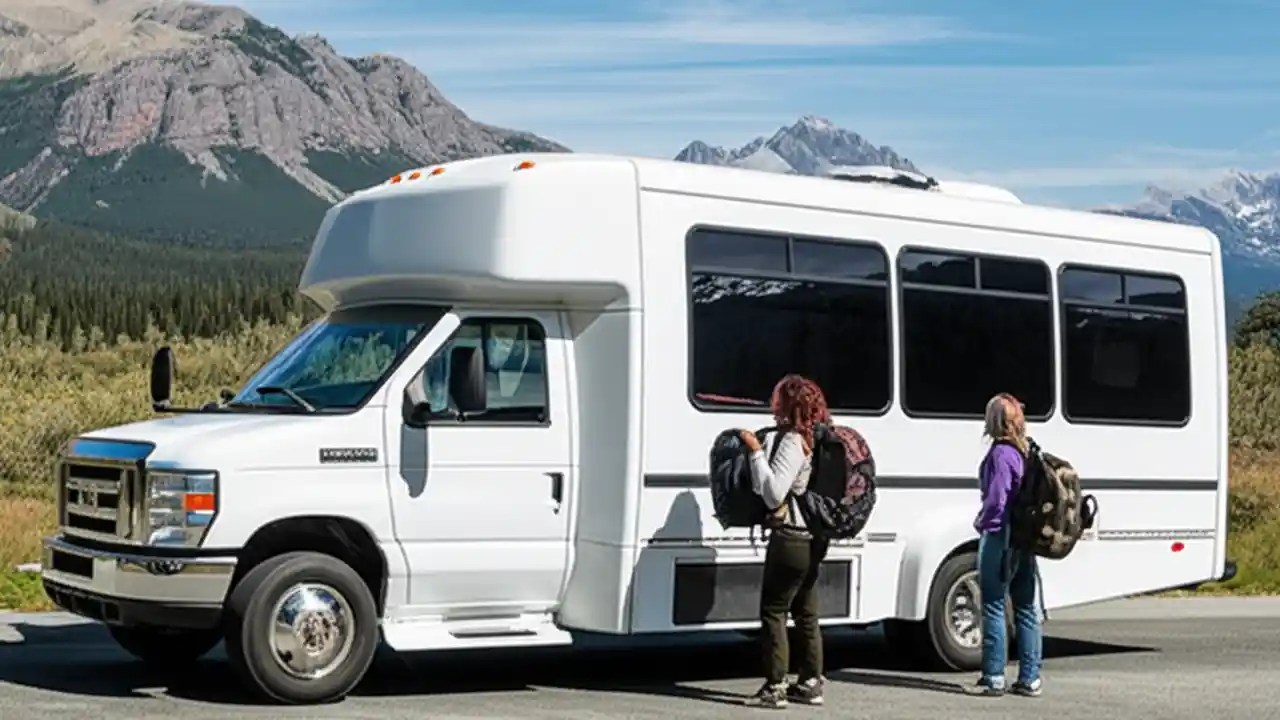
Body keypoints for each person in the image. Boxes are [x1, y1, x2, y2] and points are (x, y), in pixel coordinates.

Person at [738, 374, 832, 709]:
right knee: (806, 612)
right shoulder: (816, 437)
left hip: (790, 537)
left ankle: (775, 687)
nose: (771, 404)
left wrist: (755, 453)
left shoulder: (793, 441)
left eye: (777, 399)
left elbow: (774, 492)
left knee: (774, 611)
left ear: (788, 404)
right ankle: (810, 683)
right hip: (813, 537)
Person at [972, 392, 1043, 697]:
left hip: (1001, 536)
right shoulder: (1026, 452)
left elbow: (998, 499)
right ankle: (1030, 677)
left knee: (993, 604)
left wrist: (983, 522)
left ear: (994, 421)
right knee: (1026, 608)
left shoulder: (1001, 454)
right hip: (1025, 538)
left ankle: (994, 675)